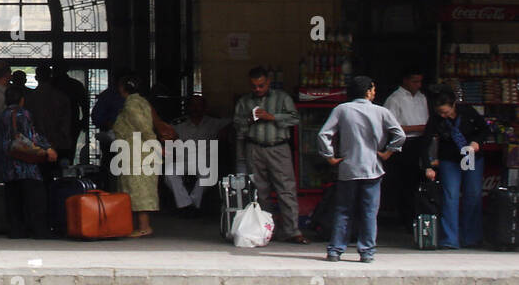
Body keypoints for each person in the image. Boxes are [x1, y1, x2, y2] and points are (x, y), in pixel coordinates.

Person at [317, 76, 406, 263]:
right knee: (369, 212)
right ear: (367, 92)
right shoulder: (381, 112)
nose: (375, 92)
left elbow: (324, 134)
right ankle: (366, 252)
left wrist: (330, 157)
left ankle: (335, 250)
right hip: (373, 168)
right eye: (373, 89)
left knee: (343, 210)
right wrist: (388, 152)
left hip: (348, 168)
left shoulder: (341, 110)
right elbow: (400, 135)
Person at [233, 65, 309, 244]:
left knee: (286, 190)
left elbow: (295, 118)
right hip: (254, 148)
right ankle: (265, 229)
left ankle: (292, 231)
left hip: (278, 148)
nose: (257, 90)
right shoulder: (244, 102)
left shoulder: (282, 98)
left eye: (261, 86)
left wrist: (272, 117)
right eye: (254, 86)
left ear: (268, 82)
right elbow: (236, 125)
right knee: (260, 192)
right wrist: (249, 121)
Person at [423, 84, 488, 250]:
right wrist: (427, 165)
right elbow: (425, 142)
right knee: (450, 196)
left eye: (446, 112)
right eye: (441, 112)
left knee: (472, 195)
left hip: (471, 155)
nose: (444, 115)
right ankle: (449, 239)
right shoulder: (436, 119)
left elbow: (484, 129)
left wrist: (476, 142)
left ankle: (471, 237)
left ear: (453, 105)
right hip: (449, 159)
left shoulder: (467, 111)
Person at [0, 83, 55, 239]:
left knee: (13, 199)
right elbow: (31, 136)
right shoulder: (23, 114)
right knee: (35, 198)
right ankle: (39, 231)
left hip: (8, 164)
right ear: (22, 99)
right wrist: (47, 148)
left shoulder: (1, 116)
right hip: (25, 164)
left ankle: (16, 230)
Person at [111, 75, 160, 237]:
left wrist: (154, 143)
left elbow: (143, 127)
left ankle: (144, 226)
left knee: (138, 189)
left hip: (137, 153)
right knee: (134, 188)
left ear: (123, 88)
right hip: (134, 151)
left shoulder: (132, 105)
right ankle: (137, 225)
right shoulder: (142, 102)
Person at [161, 94, 228, 214]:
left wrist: (226, 132)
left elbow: (235, 122)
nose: (196, 108)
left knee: (207, 175)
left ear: (205, 108)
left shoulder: (214, 122)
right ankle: (186, 205)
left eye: (199, 105)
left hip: (204, 162)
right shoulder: (178, 124)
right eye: (193, 105)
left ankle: (192, 205)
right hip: (183, 160)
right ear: (188, 107)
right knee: (169, 174)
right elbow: (164, 131)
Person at [383, 68, 429, 228]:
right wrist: (420, 127)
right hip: (404, 143)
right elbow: (391, 127)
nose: (418, 85)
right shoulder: (395, 99)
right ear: (405, 81)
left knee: (422, 181)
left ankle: (422, 218)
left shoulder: (422, 97)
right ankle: (406, 220)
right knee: (405, 184)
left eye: (420, 81)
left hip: (421, 142)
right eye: (414, 81)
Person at [28, 64, 72, 179]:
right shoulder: (62, 97)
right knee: (59, 177)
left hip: (35, 145)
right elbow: (66, 124)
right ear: (50, 77)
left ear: (36, 78)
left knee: (37, 178)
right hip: (58, 143)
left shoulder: (30, 99)